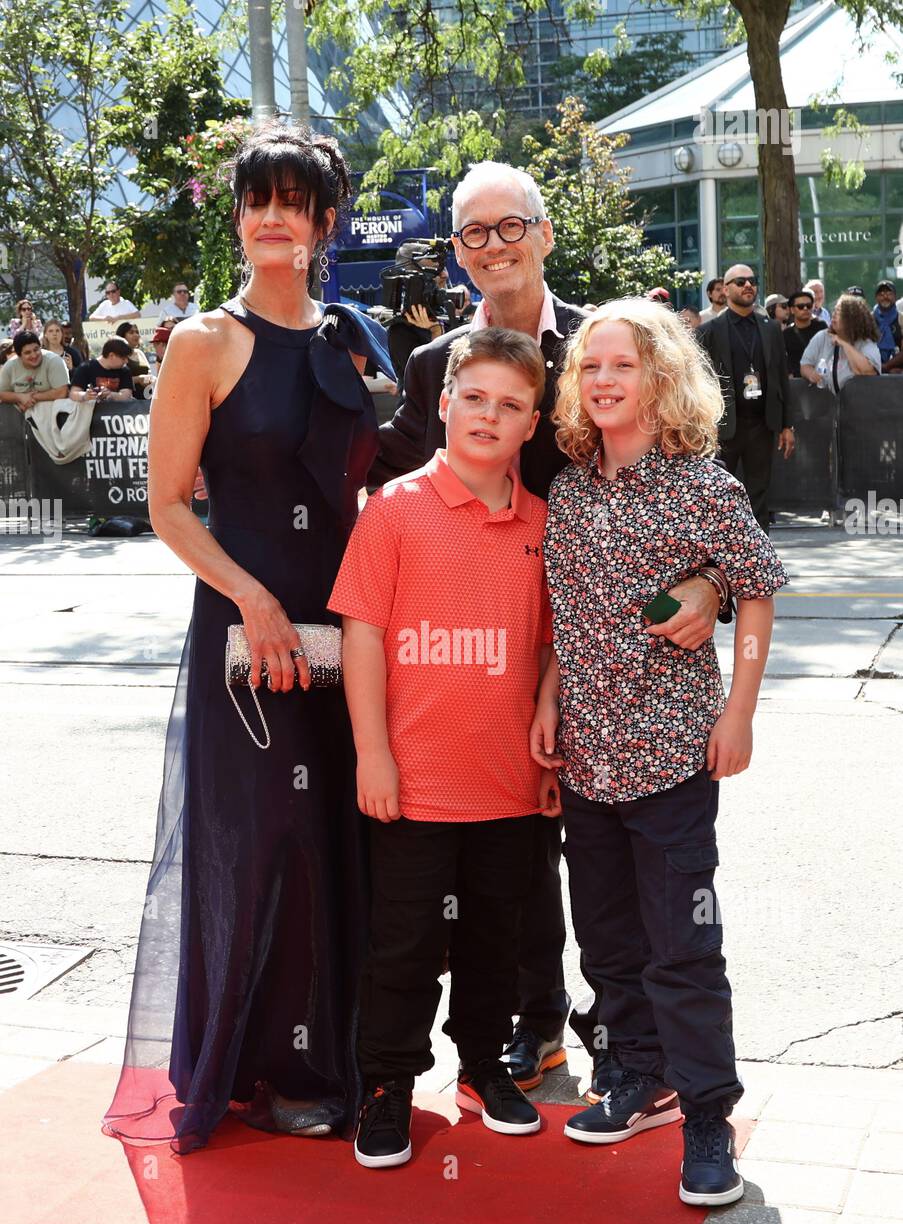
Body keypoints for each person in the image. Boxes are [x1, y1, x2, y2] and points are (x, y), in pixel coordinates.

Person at [373, 159, 725, 1093]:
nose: (493, 246)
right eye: (473, 233)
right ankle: (534, 1026)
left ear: (545, 233)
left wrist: (707, 585)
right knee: (518, 857)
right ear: (456, 253)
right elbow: (400, 487)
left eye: (509, 226)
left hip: (606, 658)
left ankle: (635, 1044)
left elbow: (699, 492)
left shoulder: (608, 343)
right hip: (485, 649)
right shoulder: (431, 365)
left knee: (617, 865)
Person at [101, 119, 394, 1154]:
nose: (273, 219)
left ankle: (333, 1062)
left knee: (340, 838)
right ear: (239, 218)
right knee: (260, 837)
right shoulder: (202, 341)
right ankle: (253, 1060)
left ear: (322, 223)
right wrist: (252, 599)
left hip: (349, 618)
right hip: (247, 626)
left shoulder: (353, 334)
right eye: (256, 201)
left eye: (294, 204)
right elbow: (171, 505)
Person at [533, 297, 787, 1205]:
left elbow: (756, 591)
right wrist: (550, 696)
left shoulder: (702, 486)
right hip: (588, 762)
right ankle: (637, 1078)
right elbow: (568, 613)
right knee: (606, 944)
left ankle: (708, 1120)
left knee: (682, 947)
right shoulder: (566, 488)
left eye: (624, 366)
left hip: (676, 758)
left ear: (661, 378)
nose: (604, 380)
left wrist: (740, 713)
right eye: (590, 366)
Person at [329, 327, 560, 1168]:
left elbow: (548, 646)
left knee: (495, 938)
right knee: (404, 944)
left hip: (505, 780)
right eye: (476, 398)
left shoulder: (544, 524)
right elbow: (361, 637)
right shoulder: (393, 510)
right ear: (443, 402)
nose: (489, 416)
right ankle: (387, 1084)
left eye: (510, 406)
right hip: (414, 780)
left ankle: (481, 1070)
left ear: (532, 424)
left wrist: (544, 741)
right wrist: (372, 754)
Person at [696, 263, 794, 532]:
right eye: (740, 282)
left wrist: (787, 424)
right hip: (723, 427)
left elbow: (780, 378)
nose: (748, 285)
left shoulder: (770, 327)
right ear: (725, 290)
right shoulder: (710, 330)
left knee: (759, 494)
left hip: (762, 424)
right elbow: (699, 381)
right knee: (719, 495)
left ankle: (761, 557)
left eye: (752, 281)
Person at [800, 293, 881, 393]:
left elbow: (867, 372)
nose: (834, 314)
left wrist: (844, 344)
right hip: (827, 404)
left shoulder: (865, 342)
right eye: (834, 310)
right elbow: (805, 364)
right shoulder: (822, 337)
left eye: (839, 312)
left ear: (852, 318)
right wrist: (811, 375)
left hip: (859, 403)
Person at [0, 330, 70, 411]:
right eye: (27, 352)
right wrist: (19, 397)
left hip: (52, 411)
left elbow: (62, 392)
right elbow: (2, 394)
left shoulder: (54, 361)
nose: (34, 355)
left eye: (36, 349)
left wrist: (31, 397)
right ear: (19, 355)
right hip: (21, 412)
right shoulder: (10, 366)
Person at [69, 338, 134, 402]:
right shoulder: (86, 368)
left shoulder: (124, 370)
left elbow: (126, 396)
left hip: (119, 411)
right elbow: (73, 393)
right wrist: (85, 396)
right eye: (123, 358)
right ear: (111, 355)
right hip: (91, 410)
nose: (126, 361)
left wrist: (111, 395)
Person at [783, 289, 821, 378]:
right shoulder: (786, 334)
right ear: (792, 310)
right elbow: (782, 359)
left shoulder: (821, 327)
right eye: (800, 306)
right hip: (797, 381)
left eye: (809, 305)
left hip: (820, 379)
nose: (805, 308)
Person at [116, 321, 153, 389]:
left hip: (147, 396)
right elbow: (116, 380)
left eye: (137, 332)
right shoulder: (118, 355)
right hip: (128, 397)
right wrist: (138, 379)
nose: (136, 335)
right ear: (122, 336)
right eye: (131, 332)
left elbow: (149, 373)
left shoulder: (140, 353)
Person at [872, 280, 902, 366]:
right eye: (881, 294)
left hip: (897, 370)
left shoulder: (901, 319)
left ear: (895, 297)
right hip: (872, 367)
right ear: (876, 297)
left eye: (889, 294)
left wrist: (886, 367)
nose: (885, 297)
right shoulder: (869, 320)